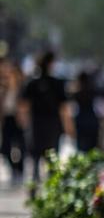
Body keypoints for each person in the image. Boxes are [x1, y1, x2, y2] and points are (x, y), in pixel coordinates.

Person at [19, 51, 71, 183]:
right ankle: (51, 185)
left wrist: (24, 123)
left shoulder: (32, 82)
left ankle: (35, 183)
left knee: (35, 158)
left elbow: (24, 106)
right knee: (52, 157)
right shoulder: (57, 83)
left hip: (36, 124)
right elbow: (64, 108)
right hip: (53, 125)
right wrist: (69, 126)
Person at [0, 59, 25, 184]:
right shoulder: (4, 88)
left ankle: (20, 169)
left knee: (21, 145)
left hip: (18, 119)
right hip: (7, 119)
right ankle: (14, 168)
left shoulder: (21, 89)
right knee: (5, 147)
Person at [71, 69, 104, 153]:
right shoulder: (95, 92)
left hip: (80, 123)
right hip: (93, 122)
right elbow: (101, 109)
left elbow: (73, 110)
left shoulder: (76, 94)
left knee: (82, 149)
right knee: (94, 148)